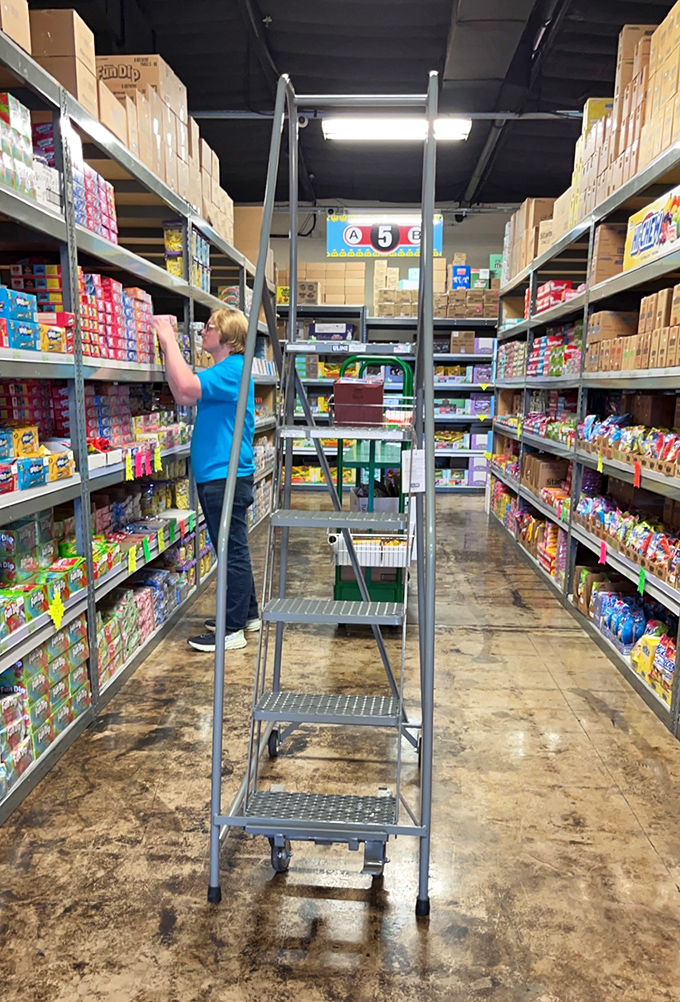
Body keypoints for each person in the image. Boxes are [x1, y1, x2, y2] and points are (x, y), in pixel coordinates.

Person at [154, 310, 260, 652]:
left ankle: (231, 631)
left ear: (228, 335)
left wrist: (169, 338)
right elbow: (185, 395)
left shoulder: (233, 369)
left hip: (223, 476)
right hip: (220, 474)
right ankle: (248, 614)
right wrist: (170, 353)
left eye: (209, 327)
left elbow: (185, 386)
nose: (203, 331)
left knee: (232, 552)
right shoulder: (226, 370)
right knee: (234, 548)